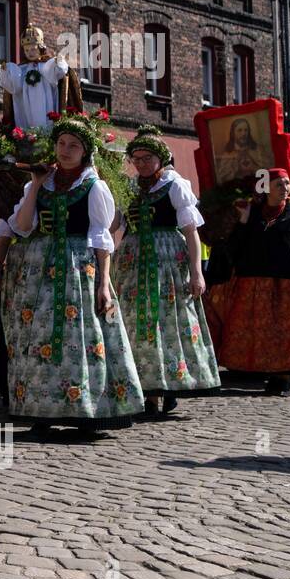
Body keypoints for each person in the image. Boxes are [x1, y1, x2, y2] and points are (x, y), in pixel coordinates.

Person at [0, 114, 145, 437]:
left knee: (82, 337)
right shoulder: (38, 184)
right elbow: (22, 226)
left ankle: (86, 411)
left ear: (85, 152)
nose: (65, 150)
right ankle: (40, 410)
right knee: (38, 337)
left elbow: (101, 238)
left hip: (80, 268)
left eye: (73, 146)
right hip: (40, 270)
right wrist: (36, 185)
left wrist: (104, 283)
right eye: (61, 144)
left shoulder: (94, 186)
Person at [112, 126, 220, 415]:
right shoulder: (129, 187)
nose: (141, 163)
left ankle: (169, 384)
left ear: (161, 159)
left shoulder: (174, 185)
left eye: (147, 157)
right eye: (136, 158)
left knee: (166, 322)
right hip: (132, 263)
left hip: (168, 261)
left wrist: (197, 273)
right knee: (137, 323)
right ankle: (147, 391)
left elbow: (190, 231)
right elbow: (112, 226)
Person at [212, 168, 290, 395]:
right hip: (253, 281)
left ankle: (283, 378)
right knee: (257, 331)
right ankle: (262, 372)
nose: (285, 189)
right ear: (266, 188)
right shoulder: (254, 213)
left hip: (285, 283)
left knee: (283, 331)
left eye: (287, 184)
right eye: (279, 184)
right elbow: (234, 249)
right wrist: (244, 221)